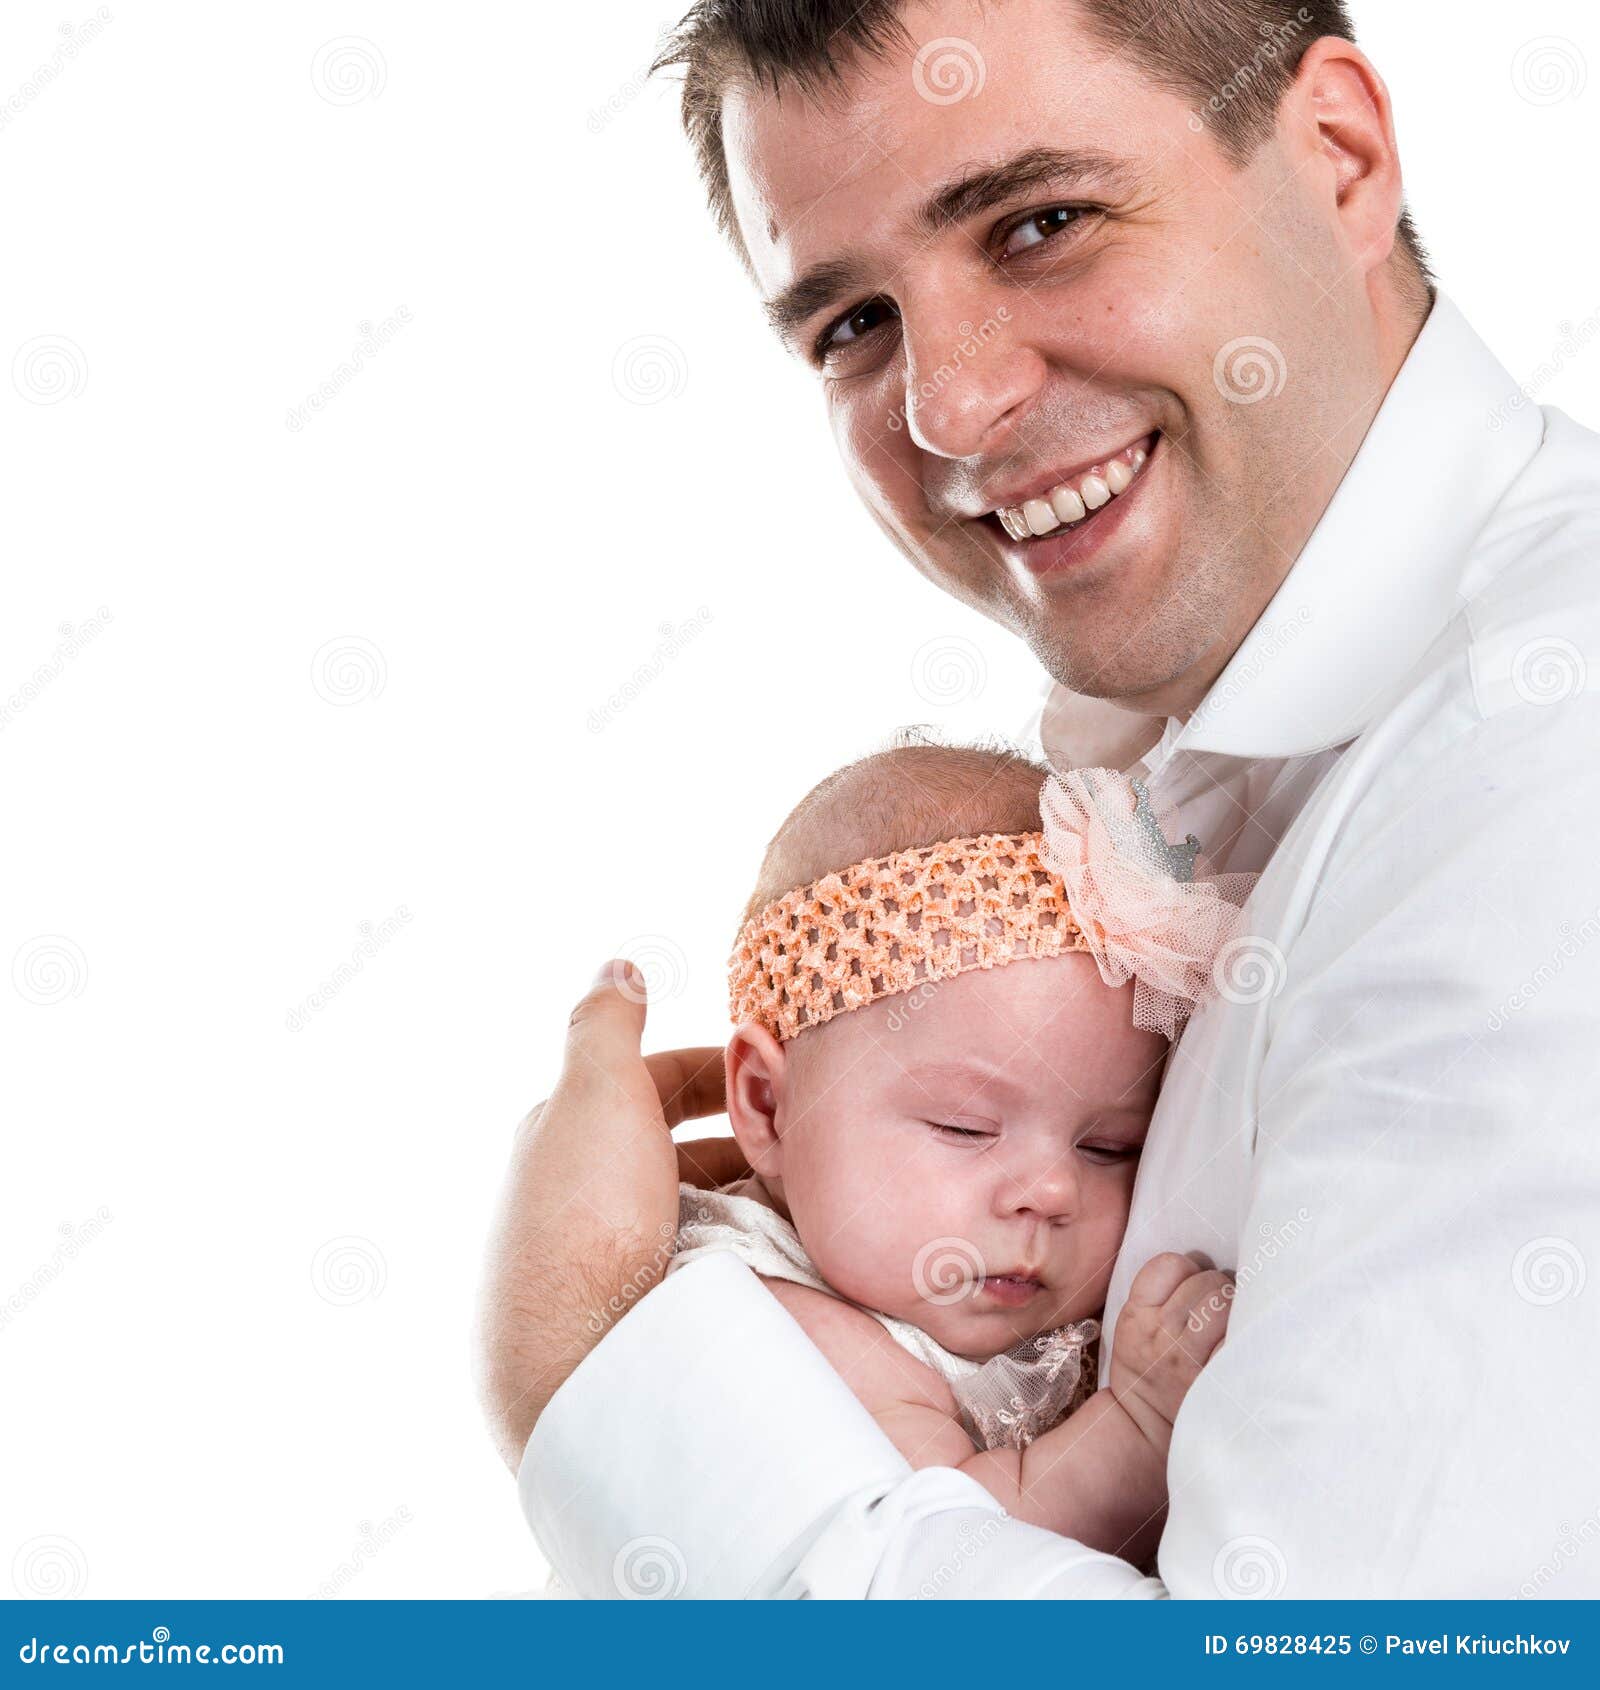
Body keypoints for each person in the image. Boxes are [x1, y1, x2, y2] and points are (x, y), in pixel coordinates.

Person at [479, 0, 1600, 1598]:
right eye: (854, 324)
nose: (949, 405)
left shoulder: (1548, 779)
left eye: (1041, 224)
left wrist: (597, 1374)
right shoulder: (1153, 769)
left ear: (1339, 158)